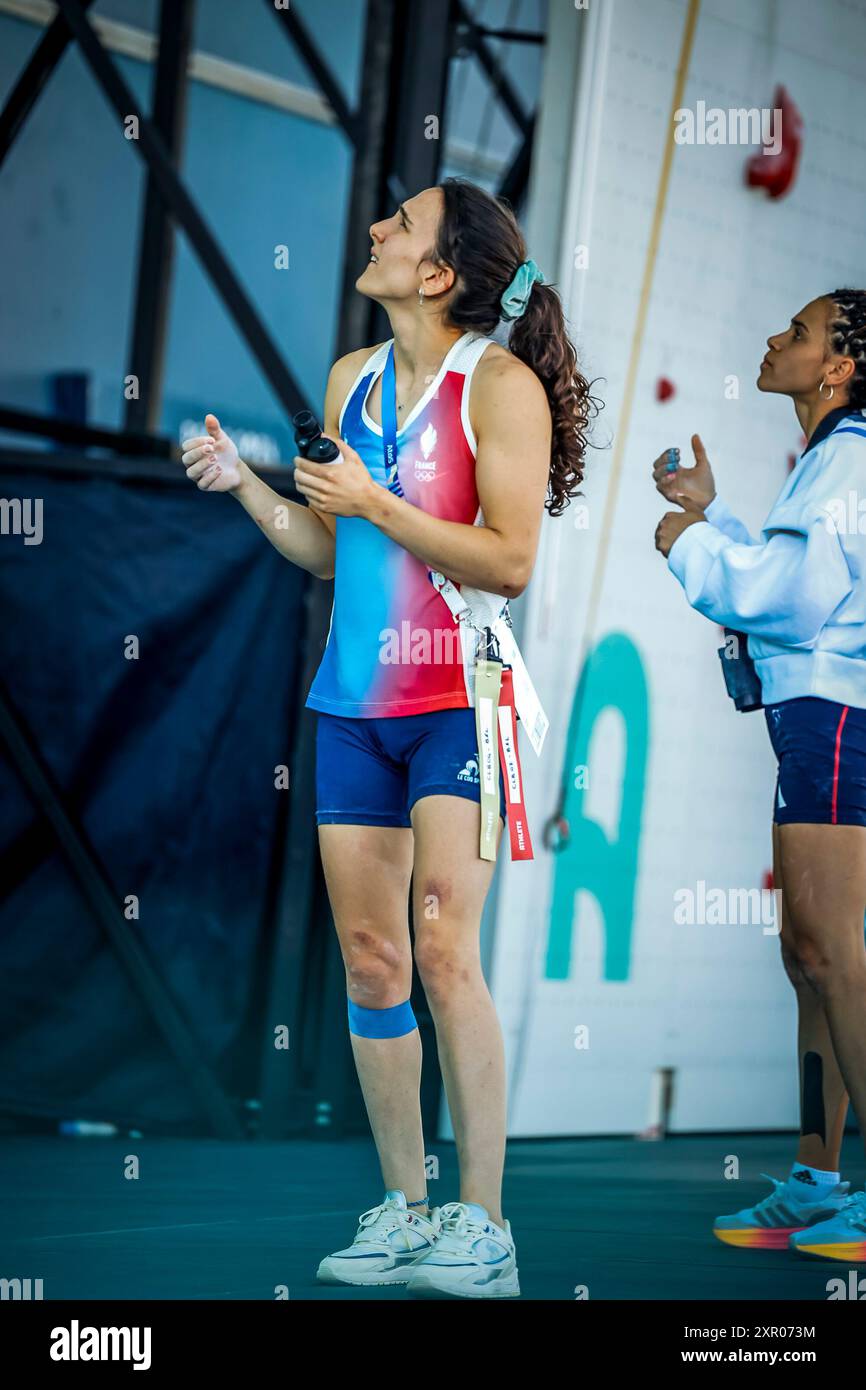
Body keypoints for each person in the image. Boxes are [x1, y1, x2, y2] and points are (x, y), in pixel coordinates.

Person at [180, 178, 596, 1297]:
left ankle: (487, 1225)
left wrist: (373, 504)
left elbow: (506, 558)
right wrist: (247, 489)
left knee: (444, 953)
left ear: (439, 274)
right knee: (374, 961)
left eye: (399, 225)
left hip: (455, 701)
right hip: (351, 709)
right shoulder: (349, 379)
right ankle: (405, 1211)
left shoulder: (498, 387)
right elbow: (325, 550)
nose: (373, 227)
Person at [653, 290, 866, 1262]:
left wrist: (684, 545)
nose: (772, 339)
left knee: (829, 950)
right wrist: (714, 514)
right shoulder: (831, 461)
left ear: (837, 368)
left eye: (797, 332)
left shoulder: (846, 458)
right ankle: (819, 1179)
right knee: (805, 956)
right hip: (809, 722)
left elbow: (785, 601)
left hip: (830, 720)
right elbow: (790, 574)